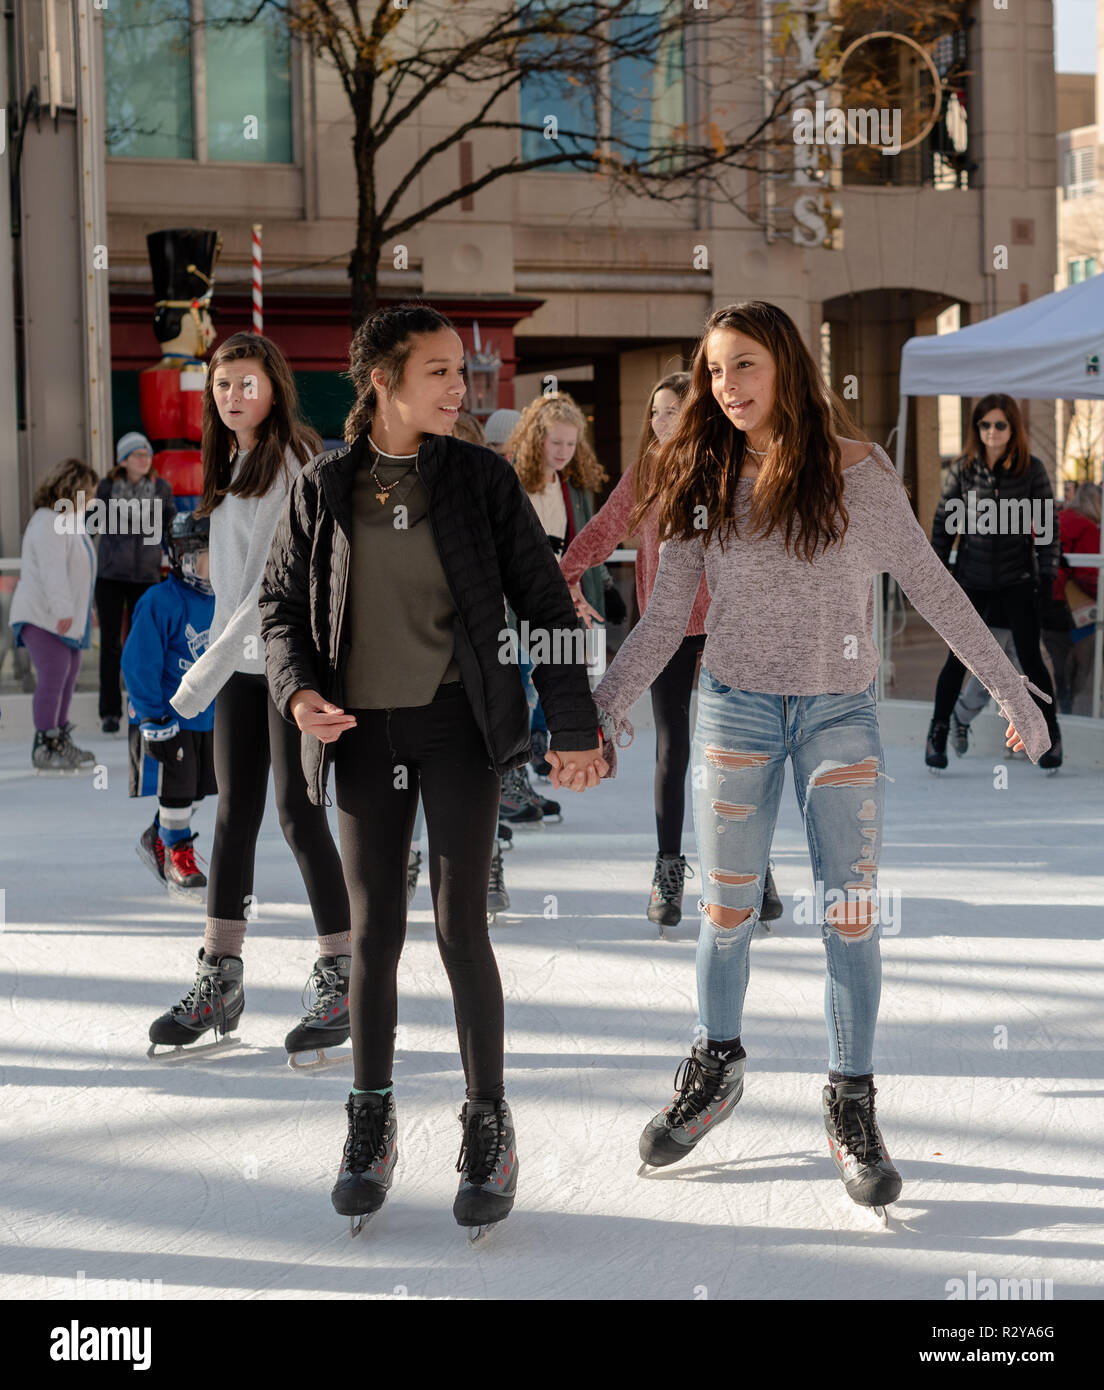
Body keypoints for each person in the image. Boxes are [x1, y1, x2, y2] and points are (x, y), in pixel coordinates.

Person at [561, 301, 1050, 1219]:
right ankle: (715, 1066)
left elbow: (933, 588)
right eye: (714, 372)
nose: (727, 387)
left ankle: (851, 1102)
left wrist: (1015, 692)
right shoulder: (702, 471)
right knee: (726, 909)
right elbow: (666, 616)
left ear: (786, 362)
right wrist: (598, 716)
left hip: (838, 714)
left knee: (851, 914)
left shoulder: (858, 476)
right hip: (735, 708)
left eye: (742, 365)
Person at [258, 302, 606, 1234]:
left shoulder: (481, 480)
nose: (462, 388)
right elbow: (282, 609)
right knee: (373, 933)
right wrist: (298, 696)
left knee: (460, 924)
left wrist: (572, 724)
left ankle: (487, 1125)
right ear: (384, 382)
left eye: (463, 371)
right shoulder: (326, 485)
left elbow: (545, 602)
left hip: (460, 730)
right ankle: (369, 1124)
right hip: (360, 734)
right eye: (442, 374)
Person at [149, 331, 353, 1068]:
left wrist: (203, 668)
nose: (234, 396)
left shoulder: (296, 459)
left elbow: (276, 584)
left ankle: (342, 973)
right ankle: (220, 977)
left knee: (299, 813)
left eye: (247, 383)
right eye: (223, 384)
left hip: (286, 658)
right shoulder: (233, 458)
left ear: (275, 386)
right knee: (234, 816)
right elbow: (234, 585)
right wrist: (214, 654)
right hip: (239, 658)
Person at [562, 371, 784, 928]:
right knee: (674, 745)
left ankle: (756, 865)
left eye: (674, 410)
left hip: (730, 626)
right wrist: (560, 575)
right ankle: (668, 869)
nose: (663, 421)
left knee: (737, 749)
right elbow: (604, 530)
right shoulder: (648, 473)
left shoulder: (731, 468)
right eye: (656, 412)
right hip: (665, 628)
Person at [925, 394, 1062, 770]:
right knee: (957, 661)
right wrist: (937, 579)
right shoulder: (963, 469)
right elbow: (942, 526)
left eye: (999, 425)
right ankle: (937, 733)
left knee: (1031, 661)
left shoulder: (1031, 470)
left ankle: (1050, 736)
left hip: (1018, 581)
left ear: (1012, 428)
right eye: (984, 425)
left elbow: (1048, 528)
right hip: (972, 582)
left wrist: (1046, 577)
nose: (991, 432)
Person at [501, 391, 620, 822]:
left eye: (570, 445)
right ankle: (508, 783)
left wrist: (604, 584)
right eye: (556, 443)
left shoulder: (571, 486)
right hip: (515, 604)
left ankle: (527, 779)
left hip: (560, 602)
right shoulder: (512, 479)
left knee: (544, 688)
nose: (563, 452)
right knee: (521, 688)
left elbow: (586, 541)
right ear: (537, 439)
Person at [124, 511, 216, 902]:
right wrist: (150, 714)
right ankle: (178, 853)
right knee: (177, 789)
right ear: (181, 557)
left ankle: (159, 834)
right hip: (167, 716)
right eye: (204, 555)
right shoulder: (160, 601)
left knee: (197, 789)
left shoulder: (226, 599)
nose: (213, 565)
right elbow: (139, 661)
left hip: (207, 716)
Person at [10, 458, 100, 773]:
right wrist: (64, 610)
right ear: (71, 490)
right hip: (42, 614)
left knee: (69, 672)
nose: (93, 500)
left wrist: (83, 610)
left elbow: (78, 573)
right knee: (54, 675)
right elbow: (53, 572)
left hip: (61, 616)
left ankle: (59, 737)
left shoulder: (70, 524)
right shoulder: (49, 521)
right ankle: (44, 743)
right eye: (89, 493)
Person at [94, 432, 176, 733]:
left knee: (146, 645)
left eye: (147, 455)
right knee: (111, 646)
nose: (145, 460)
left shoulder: (160, 488)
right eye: (138, 455)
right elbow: (91, 525)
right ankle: (110, 712)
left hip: (146, 577)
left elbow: (171, 530)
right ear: (123, 460)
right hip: (111, 577)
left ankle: (145, 705)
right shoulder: (107, 488)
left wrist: (179, 564)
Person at [1050, 482, 1101, 716]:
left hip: (1044, 597)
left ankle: (1061, 706)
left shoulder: (1060, 519)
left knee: (1058, 661)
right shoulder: (1089, 528)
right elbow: (1088, 576)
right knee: (1083, 661)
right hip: (1073, 606)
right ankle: (1073, 711)